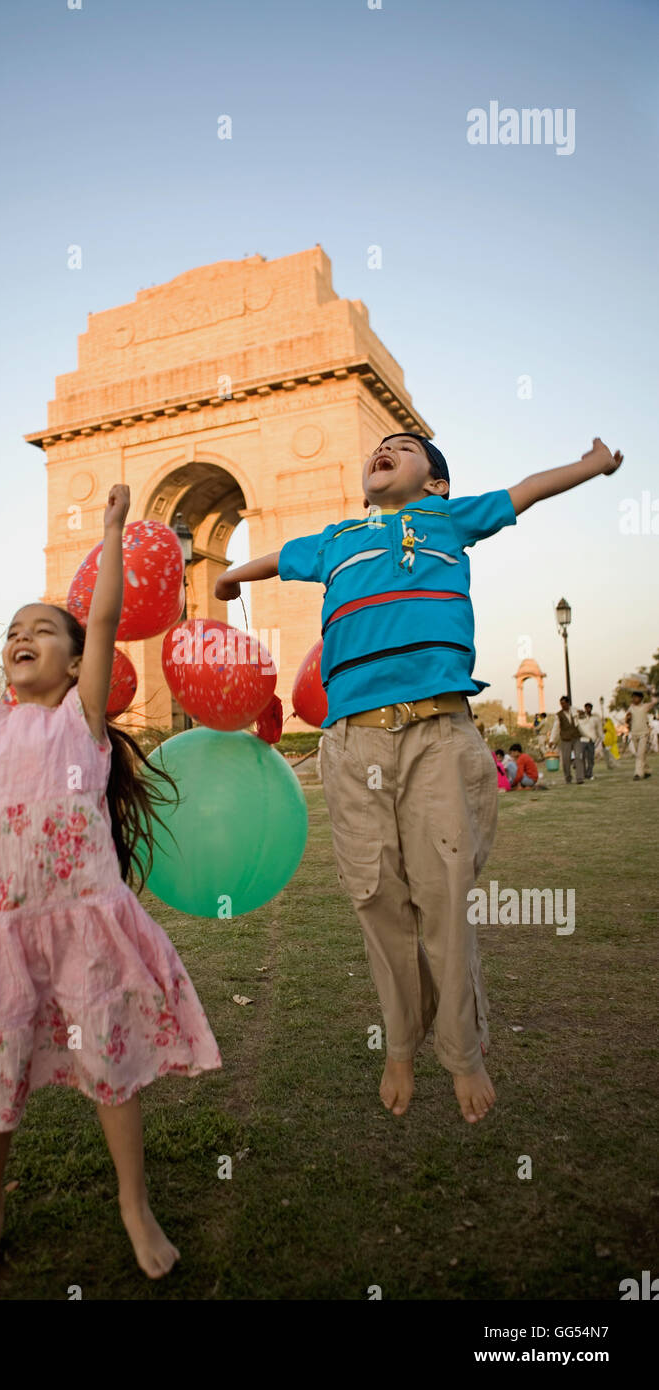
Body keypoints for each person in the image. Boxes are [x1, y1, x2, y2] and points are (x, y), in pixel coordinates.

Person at [215, 432, 623, 1124]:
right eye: (376, 446)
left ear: (433, 483)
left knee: (443, 894)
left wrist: (590, 466)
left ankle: (462, 1050)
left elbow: (525, 489)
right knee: (376, 897)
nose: (384, 449)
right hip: (354, 744)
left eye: (403, 448)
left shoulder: (448, 519)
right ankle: (399, 1042)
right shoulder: (336, 538)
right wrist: (228, 578)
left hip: (439, 735)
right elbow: (280, 559)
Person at [0, 483, 221, 1296]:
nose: (21, 636)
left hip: (86, 927)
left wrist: (112, 531)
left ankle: (134, 1202)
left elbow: (107, 616)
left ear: (79, 664)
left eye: (42, 629)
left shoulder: (79, 719)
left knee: (108, 1066)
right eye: (13, 631)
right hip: (6, 930)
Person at [549, 695, 585, 784]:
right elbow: (556, 728)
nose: (562, 706)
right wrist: (552, 740)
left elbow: (583, 720)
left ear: (568, 703)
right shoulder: (559, 715)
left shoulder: (575, 711)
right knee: (566, 759)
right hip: (565, 739)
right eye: (561, 704)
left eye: (564, 703)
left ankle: (579, 778)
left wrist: (582, 714)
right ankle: (568, 777)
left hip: (576, 737)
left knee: (578, 757)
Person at [626, 689, 657, 780]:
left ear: (640, 698)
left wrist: (652, 691)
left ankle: (638, 774)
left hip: (644, 734)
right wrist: (628, 718)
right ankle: (647, 770)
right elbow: (627, 719)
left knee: (640, 754)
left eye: (636, 697)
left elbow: (654, 701)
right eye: (633, 697)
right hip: (634, 733)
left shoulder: (645, 706)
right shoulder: (631, 708)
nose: (634, 699)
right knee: (639, 754)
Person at [580, 703, 602, 778]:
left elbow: (599, 729)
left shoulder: (595, 719)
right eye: (586, 708)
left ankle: (589, 773)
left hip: (591, 740)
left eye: (589, 708)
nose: (587, 709)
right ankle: (583, 773)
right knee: (582, 758)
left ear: (591, 709)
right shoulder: (581, 718)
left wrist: (601, 738)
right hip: (583, 740)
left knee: (590, 758)